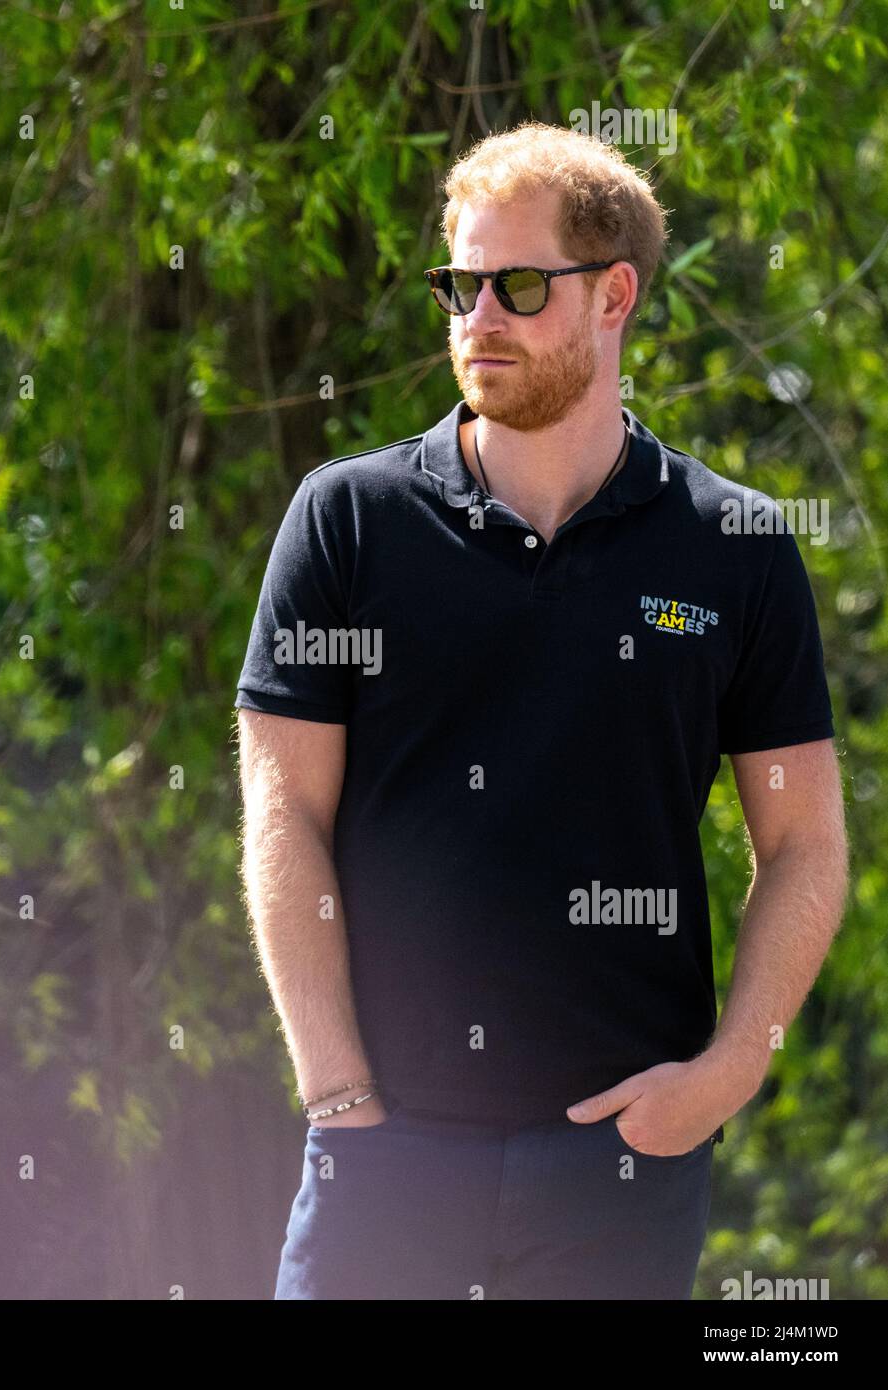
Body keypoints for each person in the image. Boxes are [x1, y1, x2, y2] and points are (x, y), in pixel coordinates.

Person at [234, 120, 848, 1300]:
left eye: (517, 284)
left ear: (612, 294)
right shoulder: (345, 523)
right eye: (457, 285)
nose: (478, 317)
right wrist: (338, 1096)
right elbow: (280, 818)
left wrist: (723, 1076)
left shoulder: (733, 547)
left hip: (619, 1161)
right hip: (382, 1156)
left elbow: (805, 844)